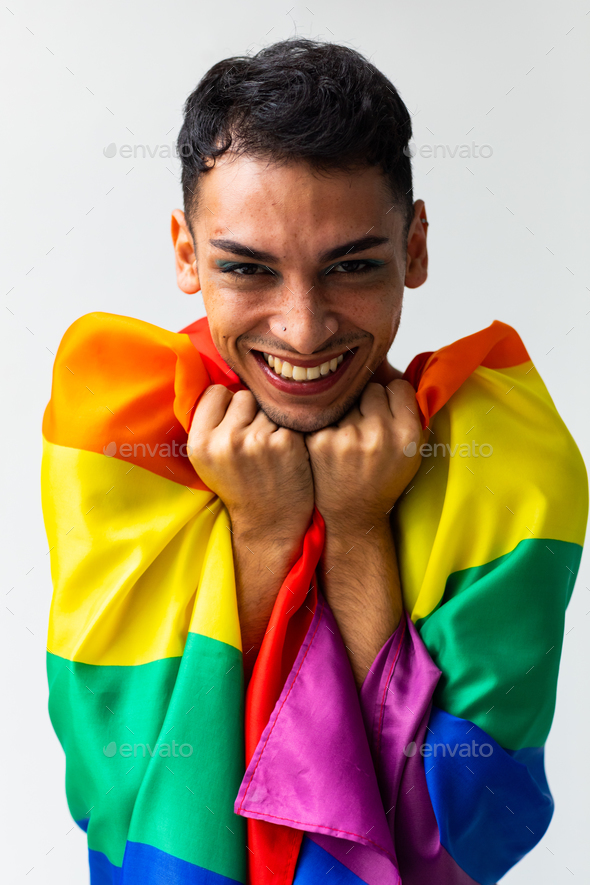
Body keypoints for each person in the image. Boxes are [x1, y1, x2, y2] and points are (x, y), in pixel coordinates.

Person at [42, 38, 587, 885]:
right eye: (247, 269)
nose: (302, 328)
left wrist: (357, 531)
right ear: (187, 254)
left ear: (415, 246)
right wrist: (264, 536)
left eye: (352, 266)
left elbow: (460, 843)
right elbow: (123, 802)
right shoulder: (123, 446)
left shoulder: (505, 465)